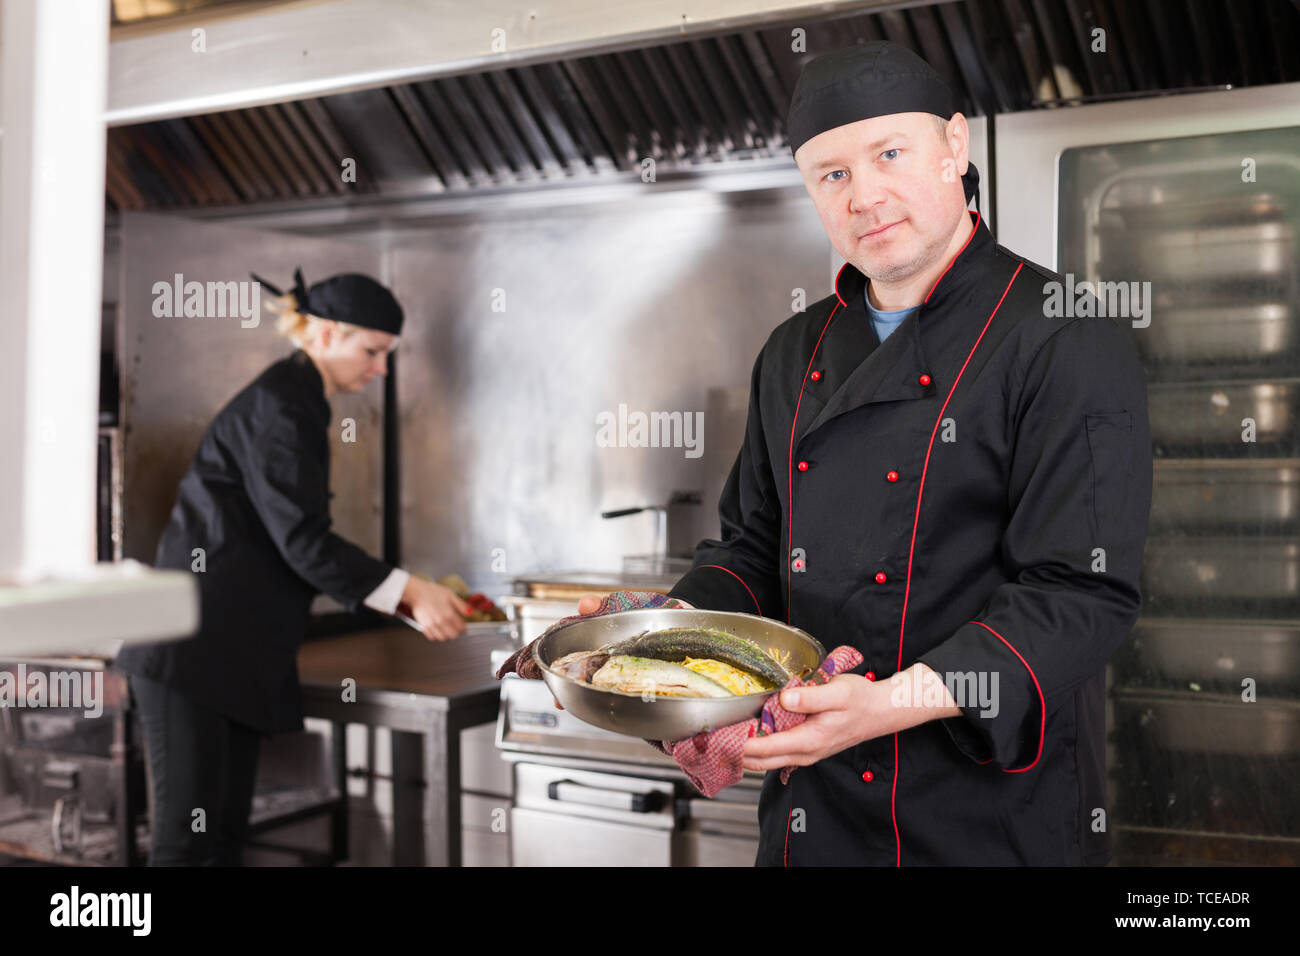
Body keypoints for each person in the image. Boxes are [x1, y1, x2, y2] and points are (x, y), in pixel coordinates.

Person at [520, 41, 1152, 866]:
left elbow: (1080, 594)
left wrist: (889, 704)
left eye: (889, 154)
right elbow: (751, 545)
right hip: (812, 809)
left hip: (984, 812)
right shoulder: (794, 348)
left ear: (954, 148)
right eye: (831, 175)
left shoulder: (1065, 333)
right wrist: (667, 631)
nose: (866, 197)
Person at [114, 268, 468, 865]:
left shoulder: (298, 400)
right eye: (373, 350)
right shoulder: (282, 406)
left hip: (224, 656)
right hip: (189, 654)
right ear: (326, 334)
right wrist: (408, 589)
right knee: (188, 848)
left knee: (220, 844)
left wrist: (404, 597)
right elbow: (303, 541)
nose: (380, 369)